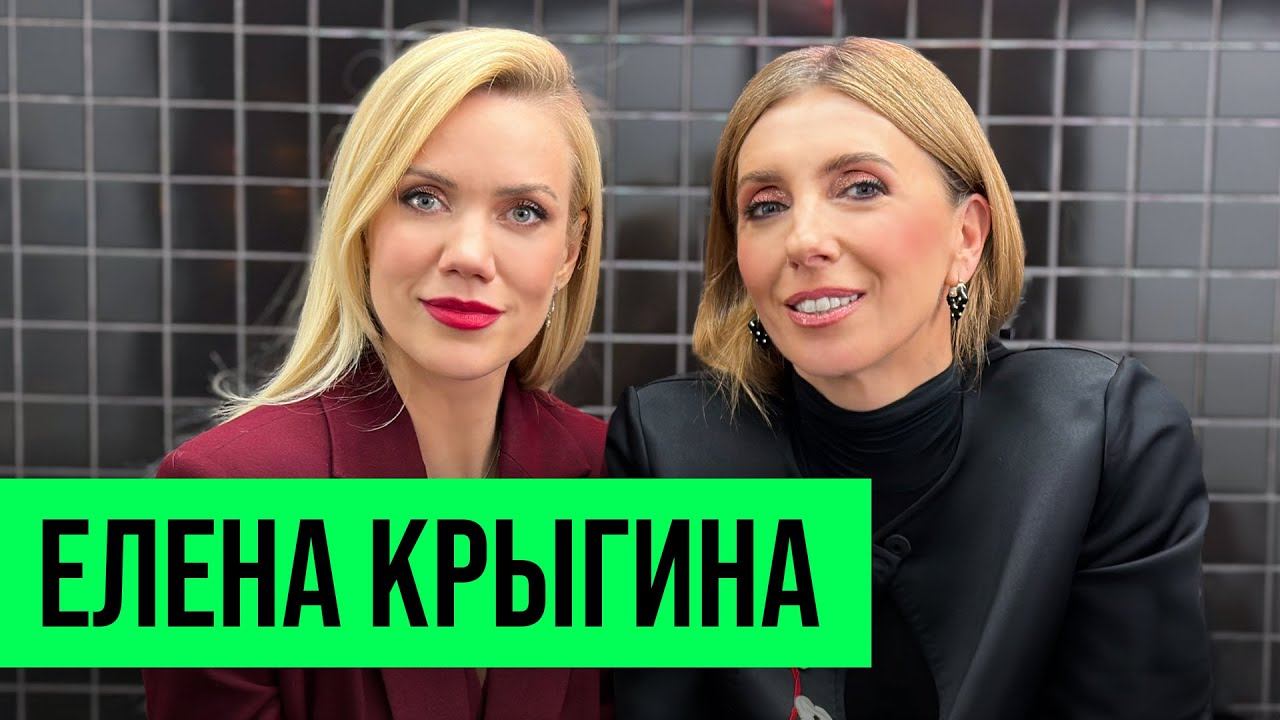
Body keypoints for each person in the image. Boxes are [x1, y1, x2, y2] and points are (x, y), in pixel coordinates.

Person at [607, 37, 1211, 720]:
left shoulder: (1097, 439)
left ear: (967, 237)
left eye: (860, 188)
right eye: (766, 205)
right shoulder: (673, 452)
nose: (804, 240)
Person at [145, 27, 608, 720]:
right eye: (424, 198)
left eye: (523, 212)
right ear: (363, 226)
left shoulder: (618, 483)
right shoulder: (225, 500)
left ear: (569, 253)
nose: (469, 255)